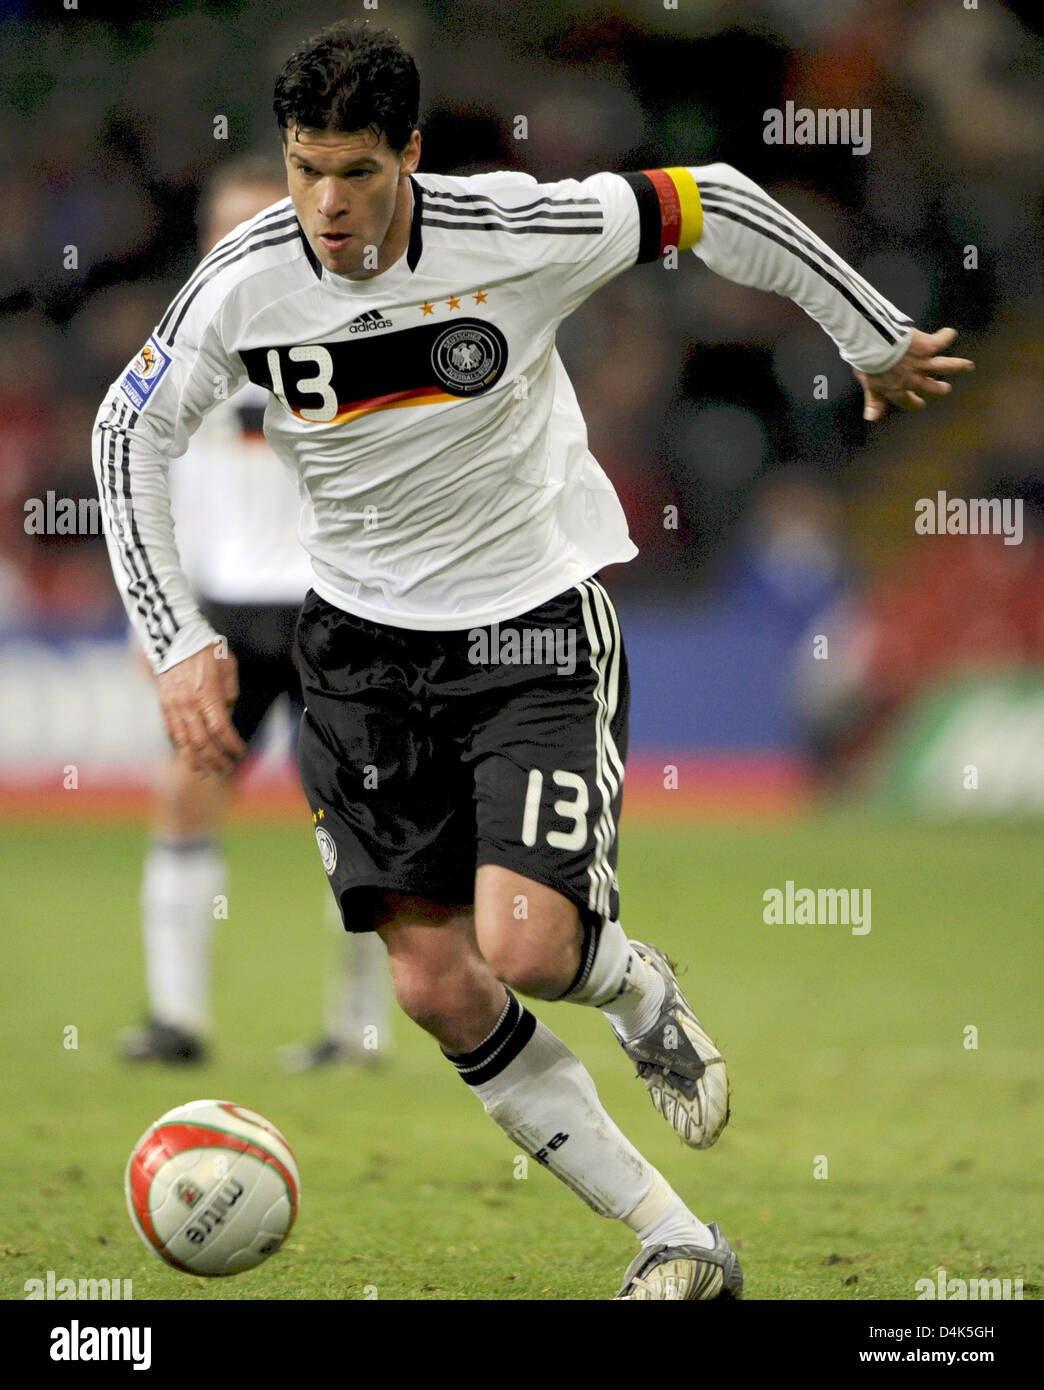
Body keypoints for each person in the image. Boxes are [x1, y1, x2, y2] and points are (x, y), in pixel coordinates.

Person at [92, 20, 973, 1299]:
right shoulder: (245, 281)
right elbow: (129, 433)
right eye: (301, 170)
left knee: (528, 945)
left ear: (408, 154)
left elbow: (711, 199)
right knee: (433, 983)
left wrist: (873, 337)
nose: (325, 206)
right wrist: (177, 642)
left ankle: (632, 985)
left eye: (353, 171)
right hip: (358, 650)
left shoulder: (513, 233)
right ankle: (679, 1240)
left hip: (528, 631)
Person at [121, 157, 390, 1069]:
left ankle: (355, 1033)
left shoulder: (348, 327)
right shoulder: (180, 346)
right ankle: (177, 1022)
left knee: (357, 823)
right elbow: (153, 485)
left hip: (335, 607)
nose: (239, 243)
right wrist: (157, 624)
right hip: (224, 614)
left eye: (259, 224)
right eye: (223, 226)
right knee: (185, 801)